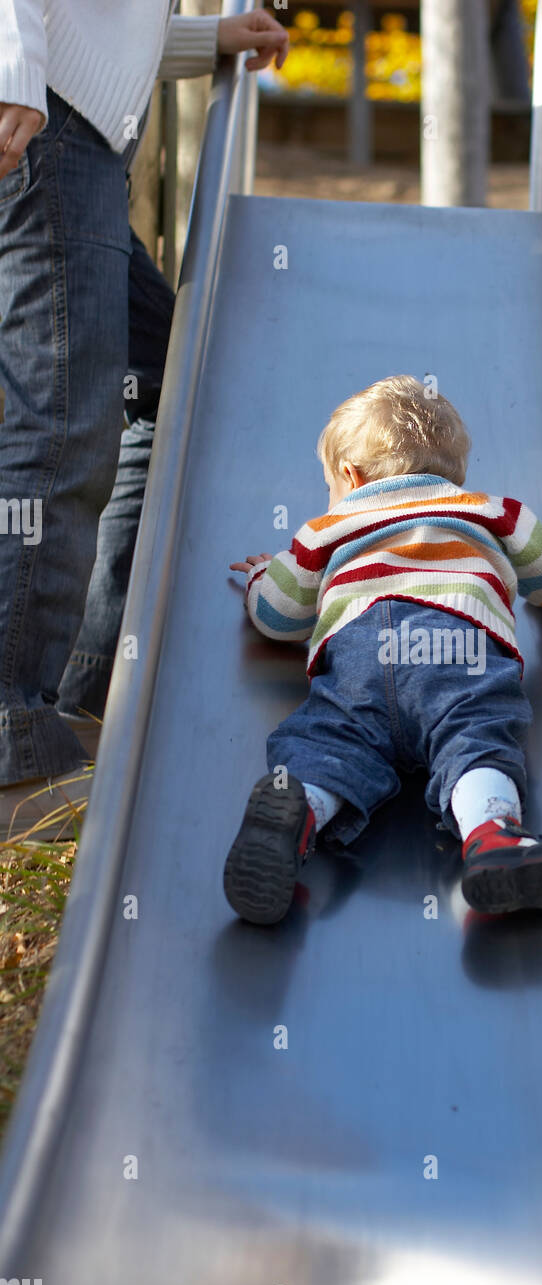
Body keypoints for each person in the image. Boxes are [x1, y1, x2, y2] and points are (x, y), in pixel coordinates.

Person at [0, 2, 288, 837]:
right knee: (58, 430)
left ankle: (82, 686)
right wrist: (11, 68)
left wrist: (202, 39)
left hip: (70, 129)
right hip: (45, 124)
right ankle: (13, 751)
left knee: (171, 385)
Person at [224, 375, 542, 925]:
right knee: (475, 735)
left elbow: (277, 616)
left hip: (358, 652)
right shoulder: (489, 509)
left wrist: (264, 575)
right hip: (456, 643)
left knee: (332, 738)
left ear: (350, 477)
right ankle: (492, 836)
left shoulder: (327, 528)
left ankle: (298, 812)